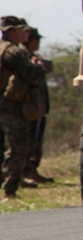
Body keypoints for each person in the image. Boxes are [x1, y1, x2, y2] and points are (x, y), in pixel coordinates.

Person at [0, 16, 45, 199]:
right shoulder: (15, 52)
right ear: (13, 31)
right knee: (18, 147)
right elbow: (31, 75)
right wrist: (39, 68)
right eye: (20, 30)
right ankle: (10, 187)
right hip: (12, 106)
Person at [23, 26, 53, 183]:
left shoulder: (35, 57)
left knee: (36, 140)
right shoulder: (21, 56)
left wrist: (40, 64)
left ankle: (32, 170)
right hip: (29, 106)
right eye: (36, 40)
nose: (38, 43)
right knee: (27, 141)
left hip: (39, 105)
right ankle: (24, 172)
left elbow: (49, 66)